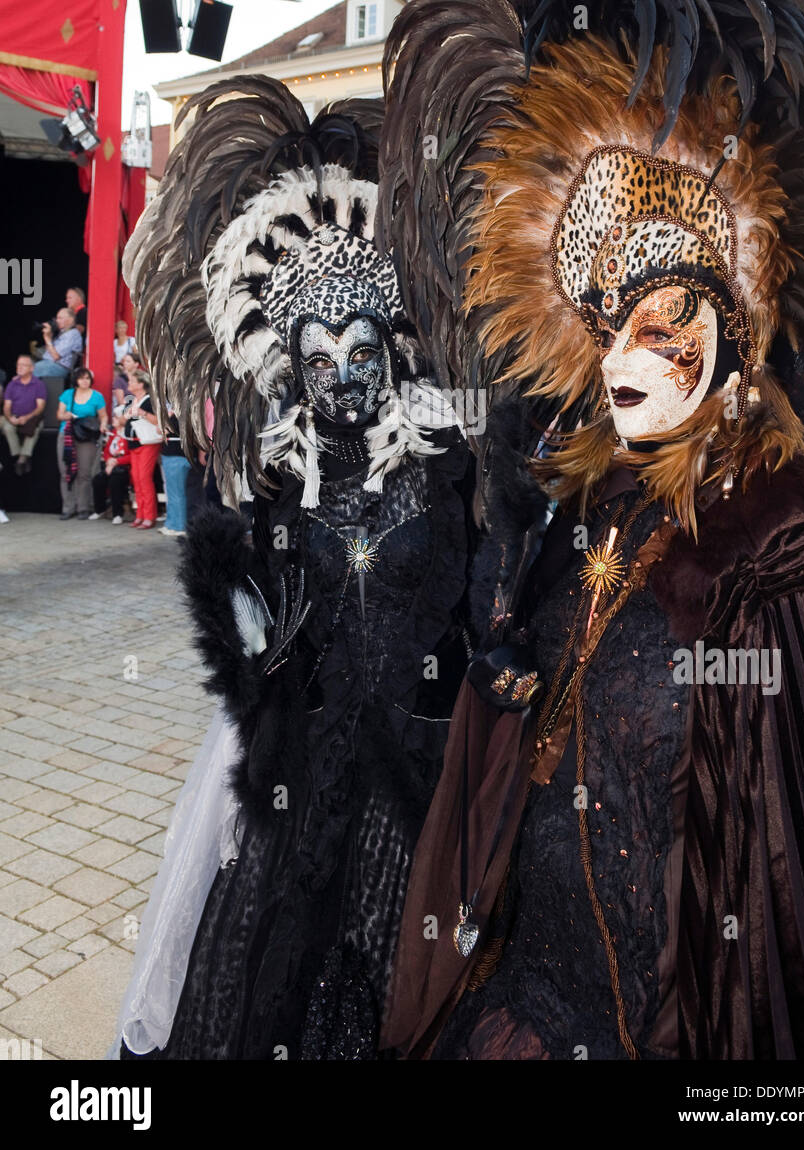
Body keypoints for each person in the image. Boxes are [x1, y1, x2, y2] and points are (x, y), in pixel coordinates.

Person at [378, 0, 804, 1061]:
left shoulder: (788, 569)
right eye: (607, 325)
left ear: (739, 320)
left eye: (665, 317)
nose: (628, 359)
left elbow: (790, 957)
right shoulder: (584, 518)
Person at [113, 80, 477, 1060]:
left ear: (397, 346)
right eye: (318, 356)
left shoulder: (455, 467)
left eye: (363, 348)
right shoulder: (285, 475)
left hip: (422, 793)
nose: (343, 374)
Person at [57, 368, 108, 519]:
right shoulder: (68, 394)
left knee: (84, 473)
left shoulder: (97, 396)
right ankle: (68, 507)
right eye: (81, 378)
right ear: (76, 380)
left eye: (87, 378)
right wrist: (66, 415)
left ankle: (83, 507)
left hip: (87, 437)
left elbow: (103, 416)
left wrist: (103, 425)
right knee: (66, 472)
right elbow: (59, 415)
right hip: (67, 434)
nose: (85, 381)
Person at [123, 369, 162, 529]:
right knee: (137, 480)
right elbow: (123, 419)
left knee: (145, 479)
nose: (129, 384)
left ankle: (149, 516)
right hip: (133, 443)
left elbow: (157, 421)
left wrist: (142, 413)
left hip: (147, 443)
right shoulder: (130, 399)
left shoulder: (149, 400)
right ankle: (140, 514)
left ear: (140, 384)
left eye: (132, 381)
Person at [1, 354, 47, 474]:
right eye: (18, 365)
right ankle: (19, 455)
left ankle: (22, 460)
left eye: (23, 365)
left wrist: (26, 417)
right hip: (14, 416)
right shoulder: (12, 384)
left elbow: (40, 407)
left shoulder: (39, 385)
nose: (19, 368)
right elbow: (6, 406)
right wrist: (10, 418)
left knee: (34, 429)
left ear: (31, 368)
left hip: (32, 417)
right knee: (7, 427)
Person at [90, 409, 132, 524]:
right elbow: (107, 451)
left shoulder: (129, 433)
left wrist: (116, 461)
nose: (112, 419)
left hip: (125, 468)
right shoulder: (113, 433)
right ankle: (100, 510)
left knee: (115, 481)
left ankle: (118, 514)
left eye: (116, 417)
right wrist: (110, 461)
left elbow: (132, 455)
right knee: (97, 480)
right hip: (111, 465)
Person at [159, 408, 191, 537]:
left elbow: (162, 430)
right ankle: (171, 523)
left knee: (175, 493)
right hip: (181, 454)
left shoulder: (179, 413)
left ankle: (178, 525)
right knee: (176, 492)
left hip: (174, 455)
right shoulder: (187, 412)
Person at [33, 307, 82, 378]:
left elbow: (56, 356)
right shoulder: (63, 333)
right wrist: (49, 336)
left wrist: (47, 339)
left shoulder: (73, 334)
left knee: (28, 370)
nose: (57, 320)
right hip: (50, 364)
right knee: (25, 365)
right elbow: (49, 351)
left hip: (60, 367)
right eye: (57, 318)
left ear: (70, 320)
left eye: (60, 318)